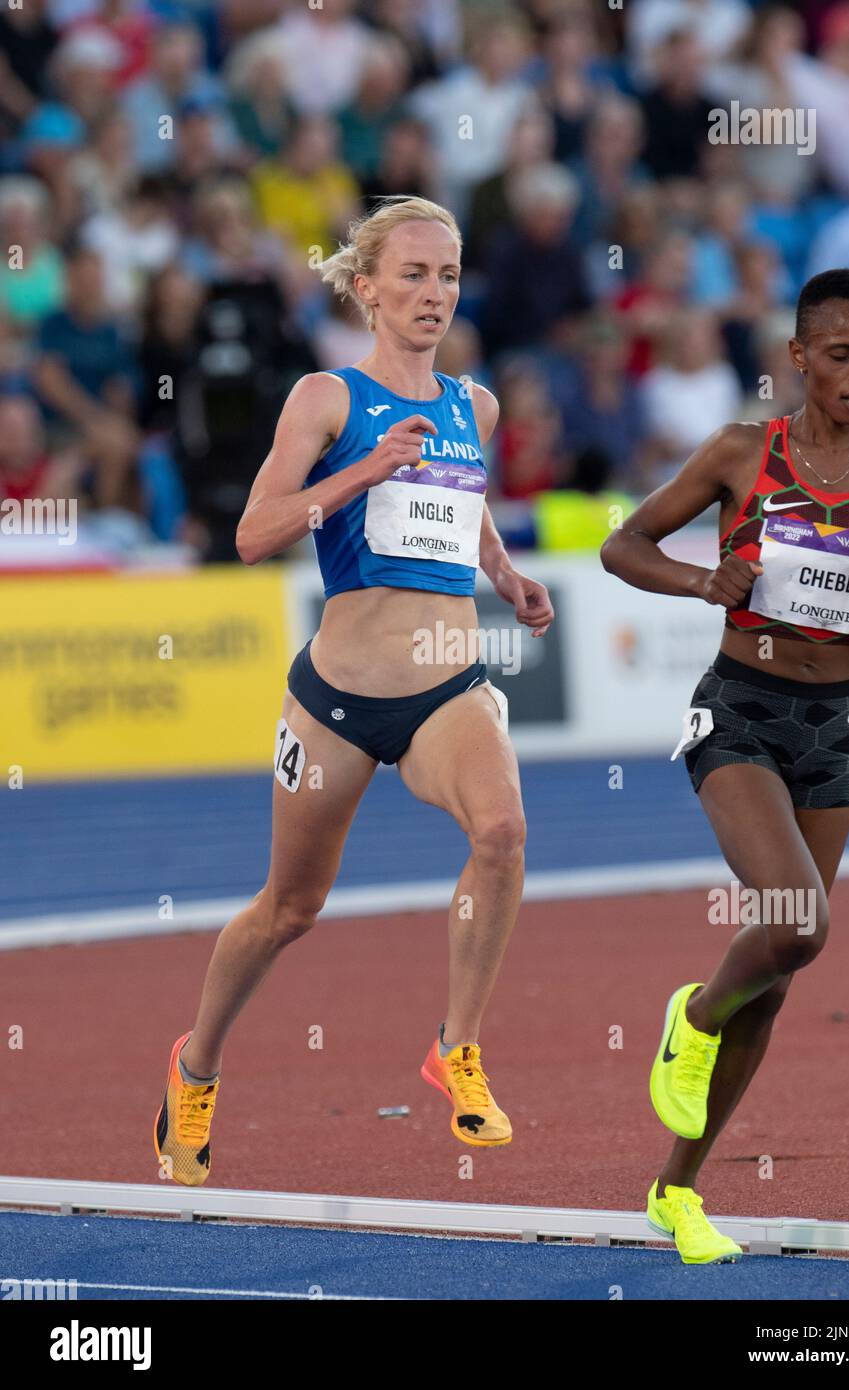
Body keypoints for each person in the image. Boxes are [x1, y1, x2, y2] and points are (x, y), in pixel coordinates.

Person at [154, 195, 554, 1186]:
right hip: (336, 697)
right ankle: (195, 1063)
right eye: (413, 274)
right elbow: (251, 534)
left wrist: (504, 574)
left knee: (502, 832)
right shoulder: (327, 399)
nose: (434, 293)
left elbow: (463, 508)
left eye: (450, 274)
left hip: (447, 685)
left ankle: (455, 1046)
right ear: (367, 287)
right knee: (290, 907)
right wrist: (365, 466)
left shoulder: (476, 405)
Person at [601, 268, 849, 1263]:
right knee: (799, 918)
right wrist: (711, 578)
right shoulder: (744, 454)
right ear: (797, 357)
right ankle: (691, 1018)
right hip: (742, 714)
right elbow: (625, 545)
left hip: (840, 727)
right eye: (842, 354)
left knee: (783, 970)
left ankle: (677, 1191)